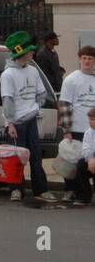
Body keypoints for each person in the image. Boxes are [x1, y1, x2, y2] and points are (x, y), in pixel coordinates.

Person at [0, 30, 53, 203]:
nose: (32, 53)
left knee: (35, 156)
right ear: (21, 53)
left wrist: (34, 107)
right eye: (30, 51)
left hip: (31, 119)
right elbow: (7, 100)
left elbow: (41, 93)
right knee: (16, 157)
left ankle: (41, 189)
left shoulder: (33, 71)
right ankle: (16, 189)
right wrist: (11, 123)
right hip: (16, 122)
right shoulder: (8, 75)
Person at [57, 46, 95, 203]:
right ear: (79, 59)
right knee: (71, 162)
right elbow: (64, 104)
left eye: (90, 59)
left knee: (86, 165)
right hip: (77, 127)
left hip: (92, 129)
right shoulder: (71, 79)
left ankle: (84, 192)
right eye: (84, 58)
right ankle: (70, 190)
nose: (87, 61)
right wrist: (66, 129)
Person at [73, 106, 95, 208]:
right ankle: (84, 196)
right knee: (81, 165)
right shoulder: (89, 132)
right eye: (90, 119)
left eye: (93, 119)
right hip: (92, 160)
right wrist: (90, 158)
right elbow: (86, 148)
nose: (90, 122)